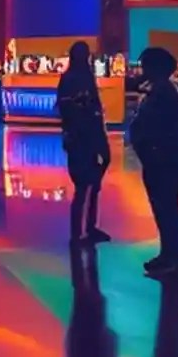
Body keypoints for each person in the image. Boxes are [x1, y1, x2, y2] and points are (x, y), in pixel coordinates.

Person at [128, 47, 178, 281]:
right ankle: (169, 254)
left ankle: (174, 257)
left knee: (167, 208)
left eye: (146, 66)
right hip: (160, 159)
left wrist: (150, 148)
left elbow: (161, 128)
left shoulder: (164, 94)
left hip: (163, 160)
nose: (142, 71)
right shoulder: (164, 90)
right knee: (164, 207)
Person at [58, 41, 112, 245]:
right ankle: (79, 232)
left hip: (86, 137)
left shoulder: (78, 78)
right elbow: (76, 112)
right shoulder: (75, 79)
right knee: (84, 186)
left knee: (90, 186)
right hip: (83, 138)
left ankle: (87, 229)